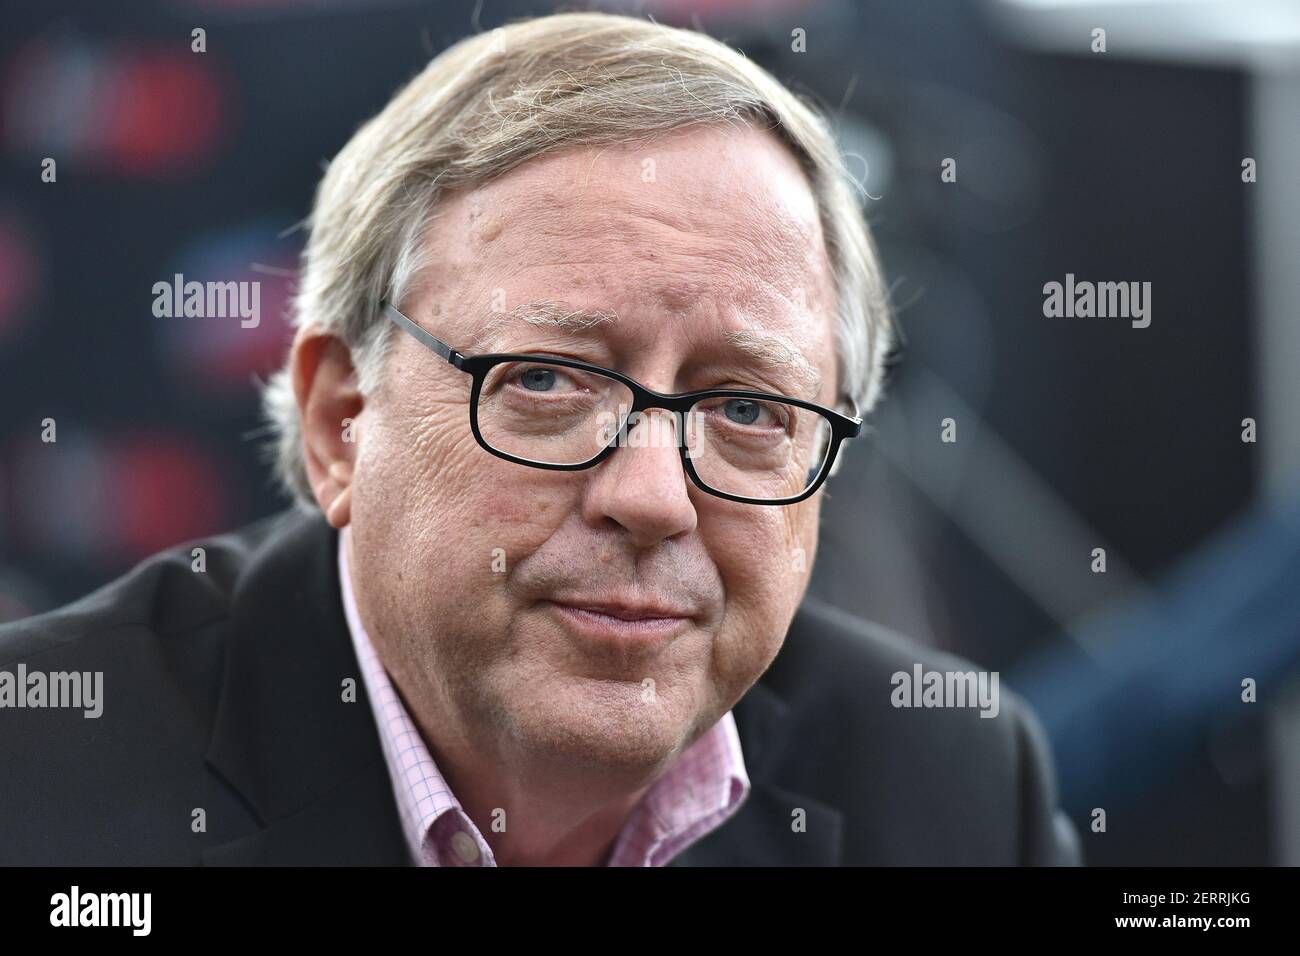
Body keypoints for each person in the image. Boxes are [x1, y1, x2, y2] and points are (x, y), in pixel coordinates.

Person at [0, 11, 1079, 866]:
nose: (653, 496)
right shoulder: (36, 781)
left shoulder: (956, 786)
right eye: (549, 380)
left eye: (749, 409)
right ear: (341, 423)